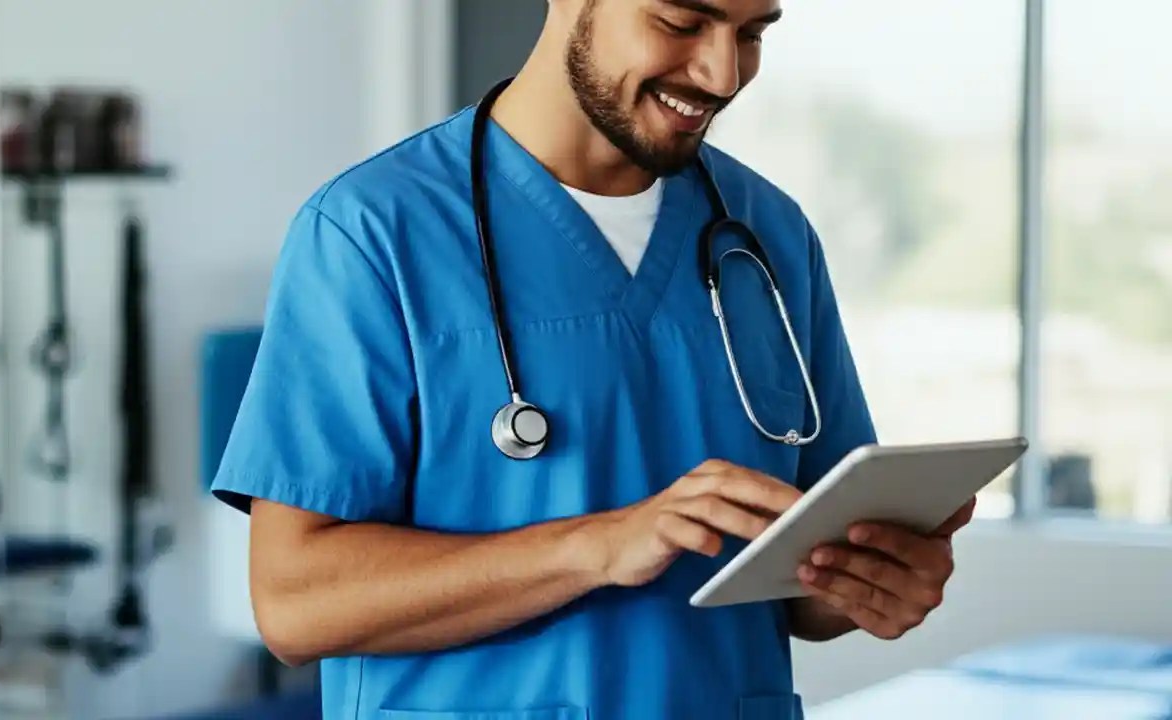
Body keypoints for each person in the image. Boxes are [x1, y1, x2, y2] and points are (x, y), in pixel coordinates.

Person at [211, 0, 977, 717]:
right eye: (682, 21)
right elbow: (295, 605)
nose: (722, 74)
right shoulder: (373, 233)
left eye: (752, 34)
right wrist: (599, 545)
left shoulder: (769, 236)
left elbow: (802, 582)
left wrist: (869, 584)